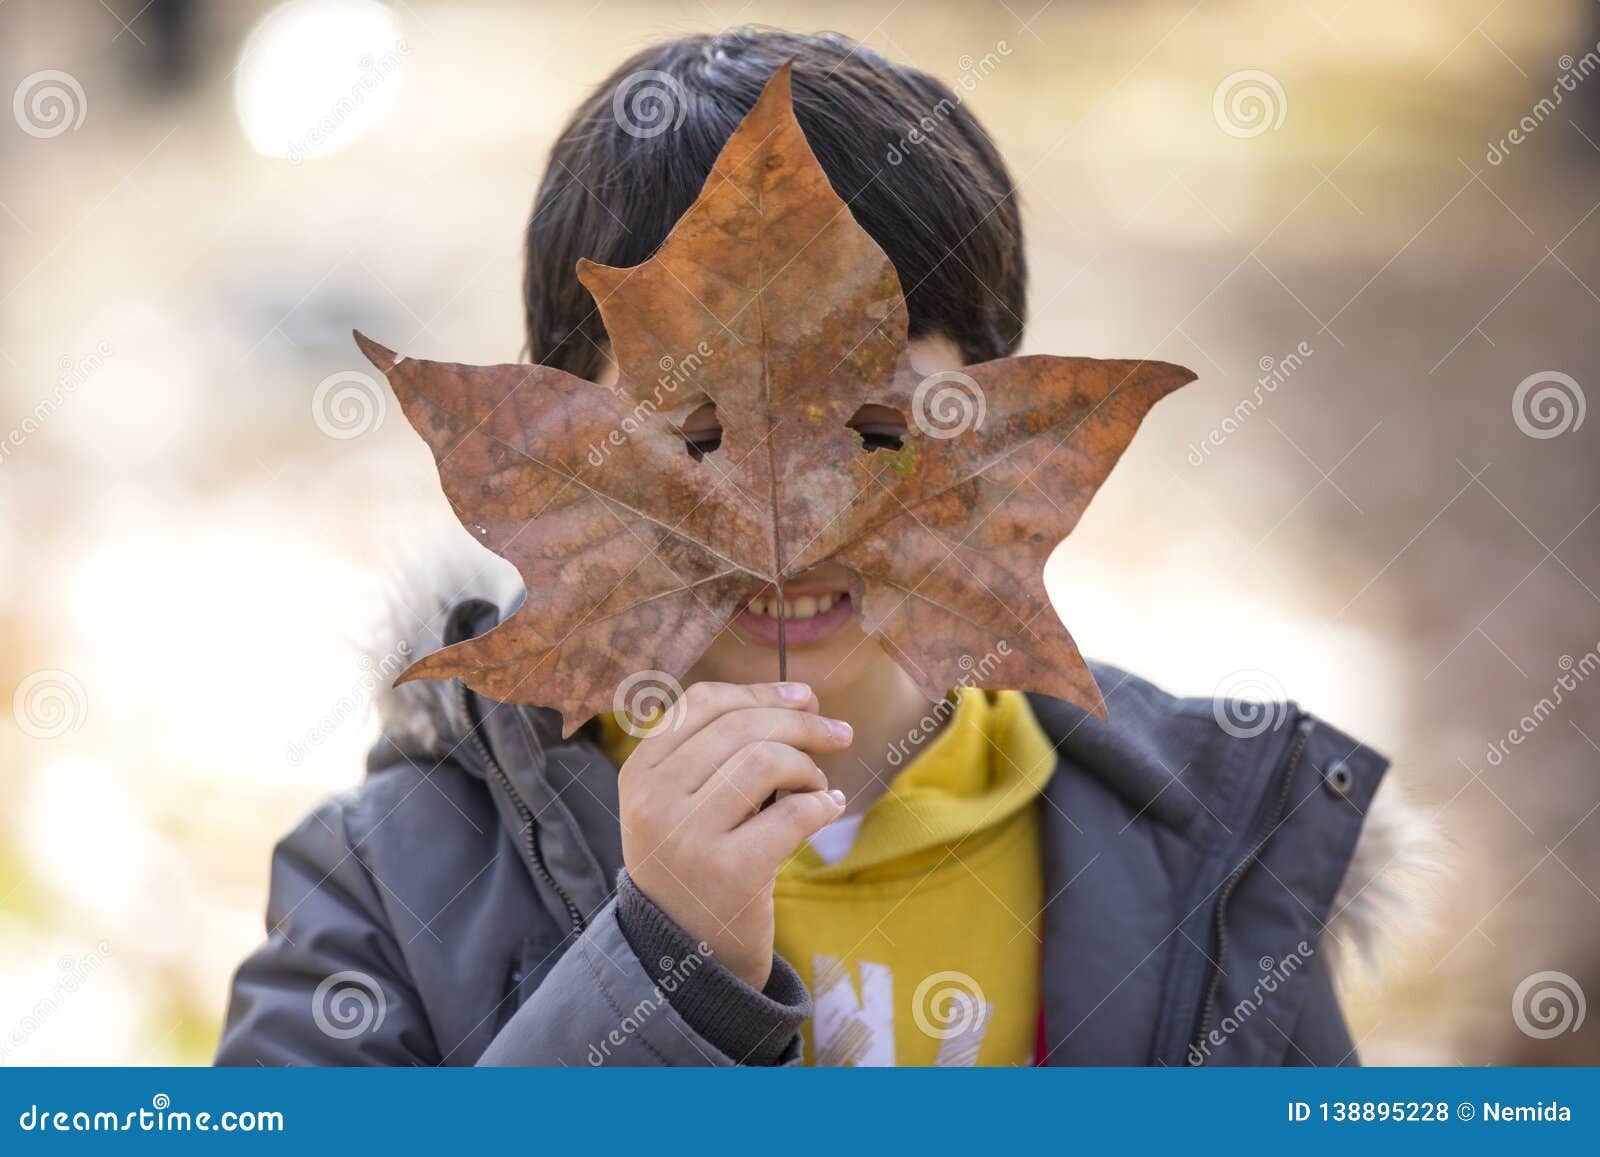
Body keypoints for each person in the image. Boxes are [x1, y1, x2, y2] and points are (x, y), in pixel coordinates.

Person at [217, 28, 1431, 1067]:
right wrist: (658, 973)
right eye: (694, 439)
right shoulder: (393, 877)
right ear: (556, 454)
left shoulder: (1211, 867)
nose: (783, 531)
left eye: (875, 429)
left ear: (1008, 437)